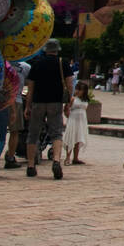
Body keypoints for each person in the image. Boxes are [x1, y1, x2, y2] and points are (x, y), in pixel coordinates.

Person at [24, 39, 73, 180]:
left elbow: (30, 87)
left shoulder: (37, 63)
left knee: (33, 133)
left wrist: (28, 106)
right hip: (55, 102)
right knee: (56, 133)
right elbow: (70, 85)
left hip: (38, 101)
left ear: (45, 49)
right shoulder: (63, 63)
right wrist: (68, 103)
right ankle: (56, 160)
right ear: (57, 50)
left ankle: (31, 166)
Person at [64, 81, 91, 165]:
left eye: (80, 90)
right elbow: (66, 109)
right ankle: (67, 157)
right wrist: (69, 116)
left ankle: (75, 158)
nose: (78, 91)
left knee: (78, 138)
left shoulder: (85, 100)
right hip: (73, 120)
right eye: (77, 89)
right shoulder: (73, 99)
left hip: (81, 120)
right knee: (71, 138)